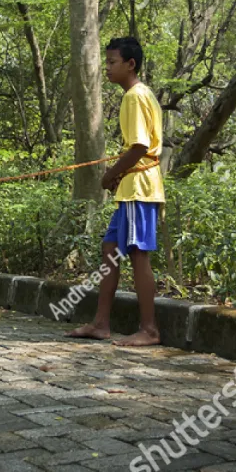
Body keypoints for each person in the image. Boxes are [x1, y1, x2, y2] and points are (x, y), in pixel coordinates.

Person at [66, 36, 166, 346]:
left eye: (112, 63)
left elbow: (139, 146)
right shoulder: (140, 94)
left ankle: (149, 329)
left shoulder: (134, 96)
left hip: (139, 188)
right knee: (110, 250)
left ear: (130, 64)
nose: (106, 68)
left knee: (138, 254)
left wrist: (111, 173)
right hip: (130, 190)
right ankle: (101, 324)